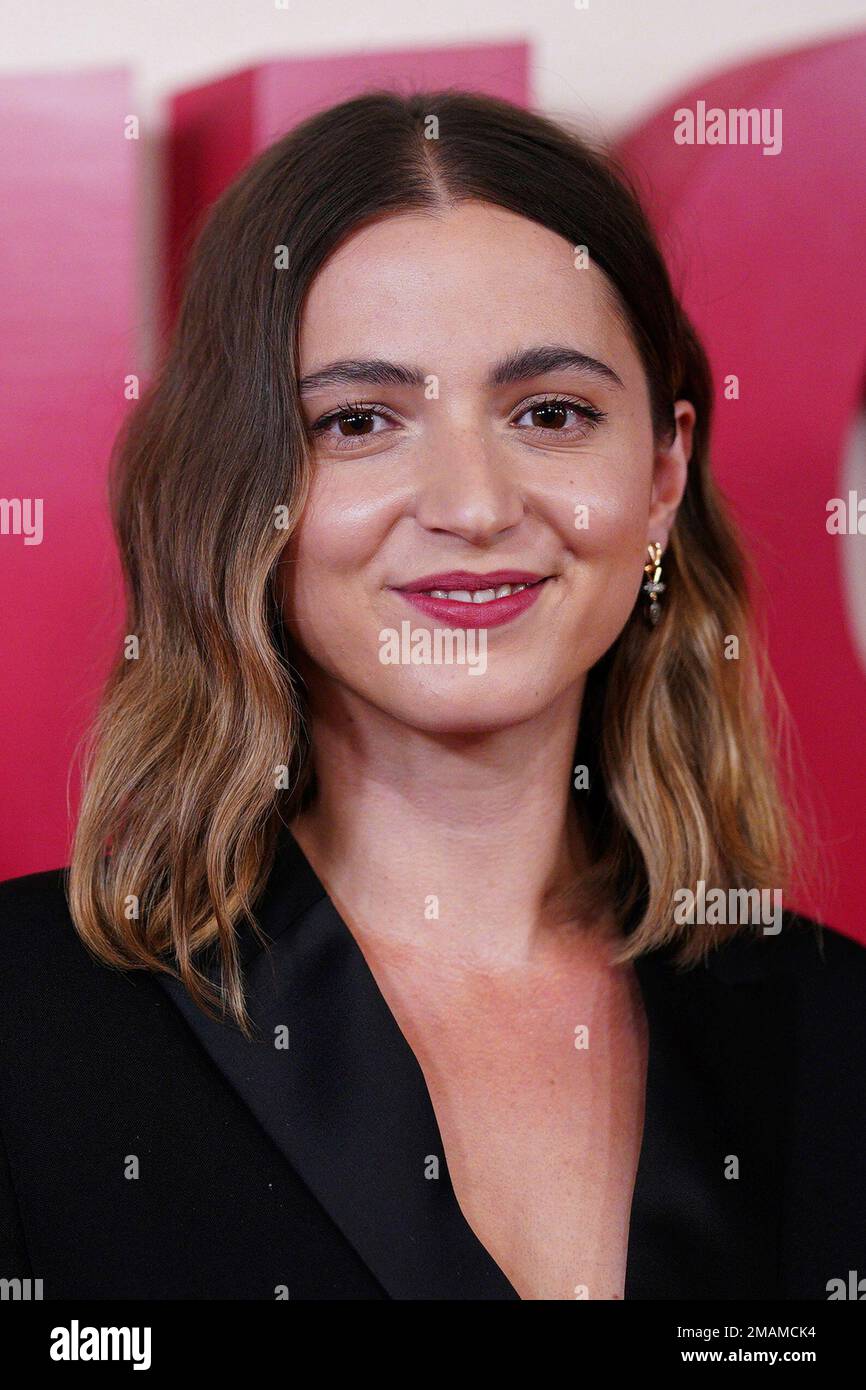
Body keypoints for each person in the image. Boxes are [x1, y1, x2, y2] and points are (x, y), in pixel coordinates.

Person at [1, 89, 864, 1302]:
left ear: (662, 474)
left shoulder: (833, 1036)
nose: (471, 504)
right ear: (240, 487)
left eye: (549, 413)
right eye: (359, 421)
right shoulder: (29, 1020)